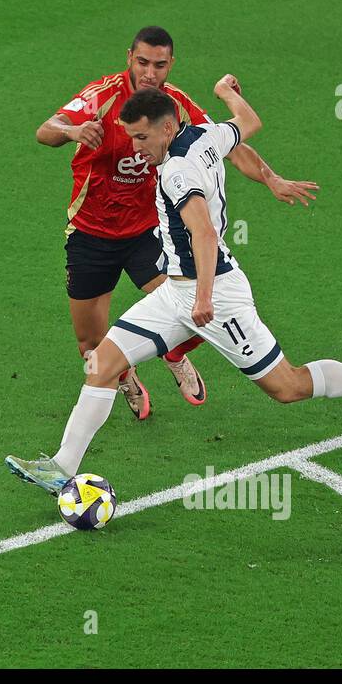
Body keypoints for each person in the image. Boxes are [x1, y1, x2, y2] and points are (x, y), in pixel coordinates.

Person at [8, 80, 342, 492]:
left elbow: (204, 235)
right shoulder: (204, 136)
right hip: (175, 293)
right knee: (102, 365)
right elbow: (248, 123)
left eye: (140, 137)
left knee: (287, 387)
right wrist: (227, 93)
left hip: (215, 294)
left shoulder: (176, 170)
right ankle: (62, 468)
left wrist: (205, 299)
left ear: (167, 128)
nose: (135, 149)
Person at [37, 26, 317, 418]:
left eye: (160, 65)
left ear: (171, 65)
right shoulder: (100, 97)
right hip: (91, 233)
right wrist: (72, 131)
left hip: (146, 232)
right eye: (143, 63)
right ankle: (124, 378)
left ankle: (174, 356)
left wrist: (270, 178)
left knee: (194, 307)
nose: (150, 73)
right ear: (129, 58)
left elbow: (225, 142)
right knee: (90, 343)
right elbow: (44, 131)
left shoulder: (176, 107)